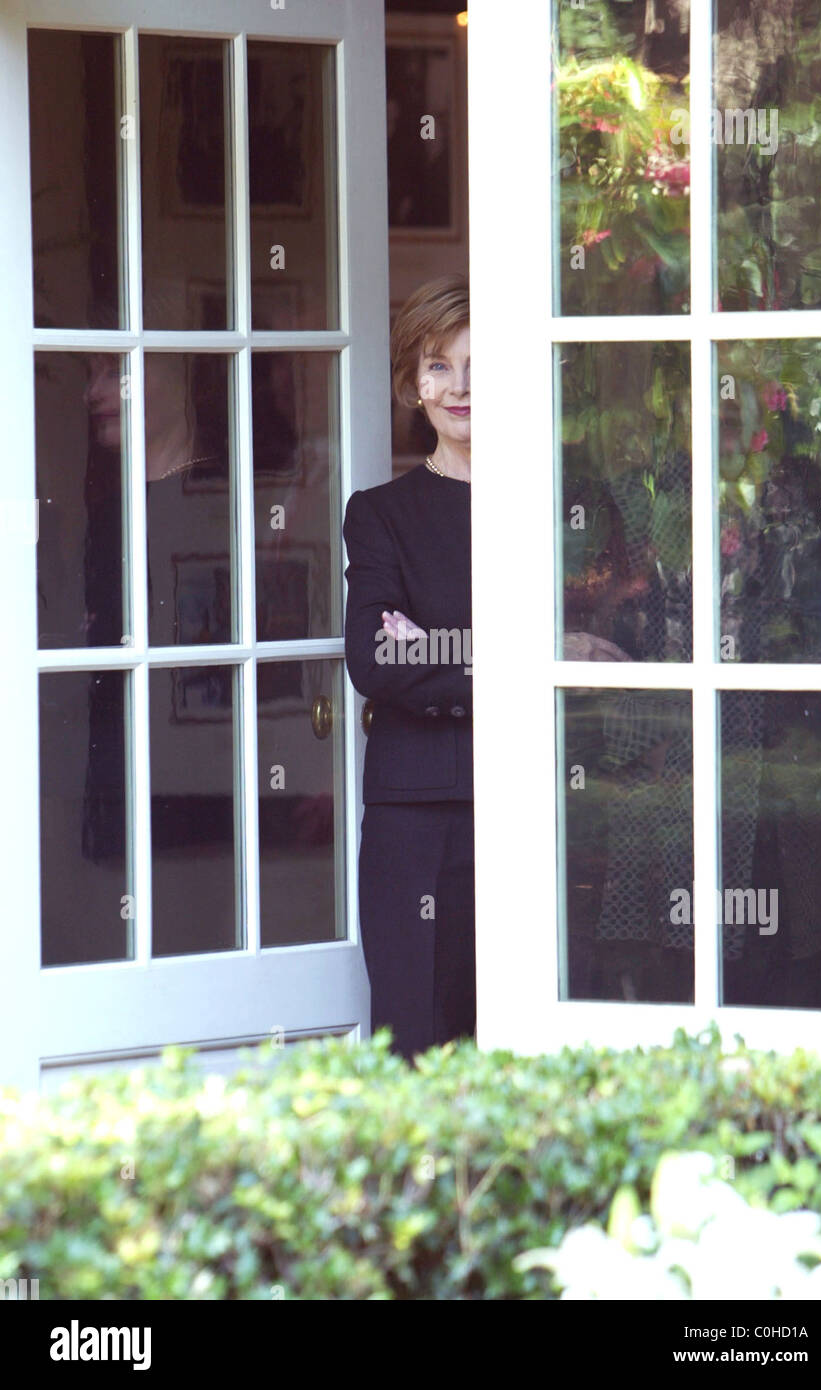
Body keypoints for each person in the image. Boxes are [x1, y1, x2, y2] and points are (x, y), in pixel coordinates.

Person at [342, 275, 475, 1061]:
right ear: (411, 384)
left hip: (532, 805)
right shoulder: (380, 512)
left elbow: (586, 646)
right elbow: (376, 659)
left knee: (525, 1047)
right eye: (439, 366)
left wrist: (437, 643)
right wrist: (493, 653)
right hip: (414, 819)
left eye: (479, 366)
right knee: (419, 1048)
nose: (461, 388)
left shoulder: (552, 503)